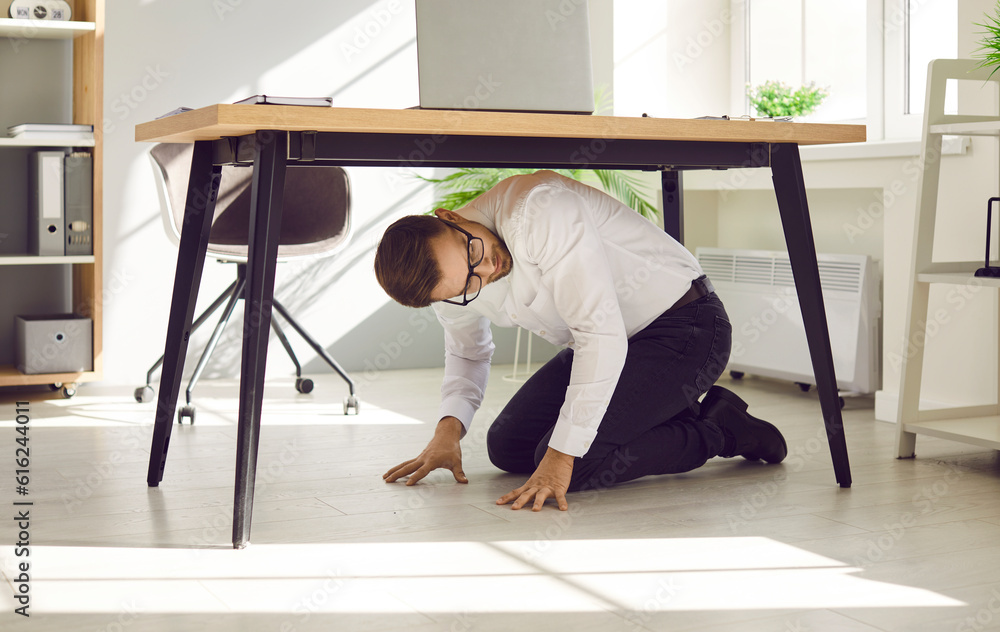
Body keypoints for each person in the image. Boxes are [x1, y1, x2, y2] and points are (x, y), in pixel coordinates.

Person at [373, 170, 786, 512]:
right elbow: (467, 352)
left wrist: (562, 457)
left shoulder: (539, 210)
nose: (486, 269)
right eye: (468, 284)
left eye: (472, 253)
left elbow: (598, 335)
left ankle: (720, 428)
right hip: (608, 345)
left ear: (450, 216)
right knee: (508, 448)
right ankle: (655, 409)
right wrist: (448, 432)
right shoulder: (451, 286)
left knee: (578, 464)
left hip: (684, 326)